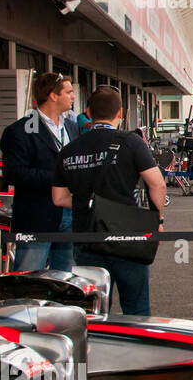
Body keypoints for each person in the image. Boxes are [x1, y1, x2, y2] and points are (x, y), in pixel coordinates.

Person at [51, 87, 165, 315]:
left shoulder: (68, 150)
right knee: (136, 310)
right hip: (128, 237)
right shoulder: (131, 141)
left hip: (87, 237)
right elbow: (157, 184)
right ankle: (138, 348)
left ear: (88, 112)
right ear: (120, 113)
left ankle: (95, 349)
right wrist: (157, 220)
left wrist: (87, 202)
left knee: (92, 311)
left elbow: (59, 198)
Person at [1, 72, 80, 271]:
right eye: (69, 92)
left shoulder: (72, 127)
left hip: (70, 215)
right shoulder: (19, 131)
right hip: (36, 217)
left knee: (66, 281)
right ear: (53, 96)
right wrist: (58, 179)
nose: (73, 96)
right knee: (29, 282)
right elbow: (13, 173)